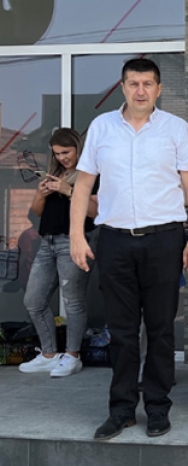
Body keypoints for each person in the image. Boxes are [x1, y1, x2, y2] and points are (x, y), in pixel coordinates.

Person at [70, 57, 188, 440]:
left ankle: (159, 408)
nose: (141, 90)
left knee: (162, 329)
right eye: (133, 83)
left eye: (148, 83)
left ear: (159, 89)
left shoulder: (175, 129)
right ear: (123, 87)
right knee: (123, 331)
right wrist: (78, 237)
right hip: (114, 241)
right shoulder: (102, 127)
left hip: (164, 240)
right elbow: (82, 187)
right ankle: (122, 410)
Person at [19, 128, 98, 378]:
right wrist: (41, 193)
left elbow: (97, 211)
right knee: (33, 300)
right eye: (57, 153)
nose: (62, 157)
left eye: (66, 152)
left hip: (73, 241)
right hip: (47, 242)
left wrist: (69, 190)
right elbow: (37, 212)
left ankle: (72, 356)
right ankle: (49, 354)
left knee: (73, 301)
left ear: (77, 148)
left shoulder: (89, 174)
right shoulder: (55, 173)